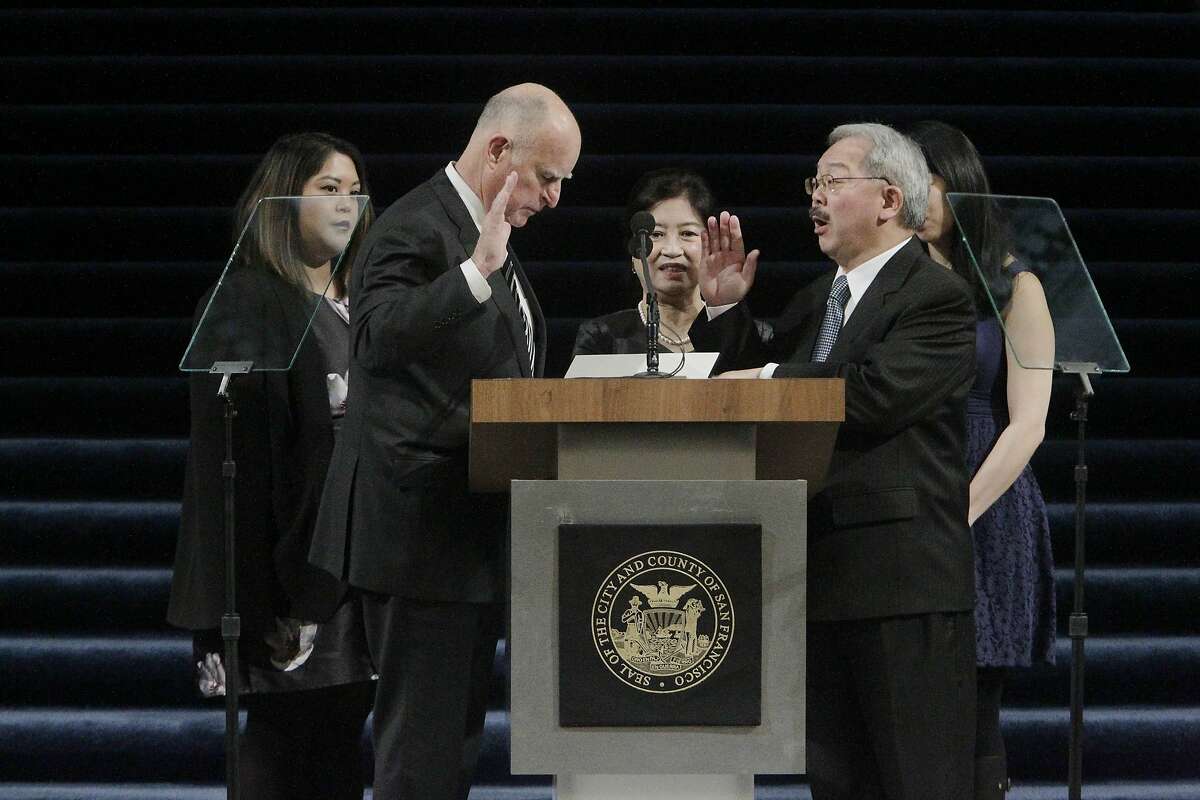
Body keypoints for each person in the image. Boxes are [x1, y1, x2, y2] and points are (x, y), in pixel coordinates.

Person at [308, 83, 581, 800]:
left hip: (465, 540)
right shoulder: (416, 227)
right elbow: (372, 337)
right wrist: (473, 273)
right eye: (547, 177)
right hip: (419, 541)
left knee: (446, 756)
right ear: (499, 152)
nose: (554, 198)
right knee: (419, 759)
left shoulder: (480, 232)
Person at [692, 122, 978, 800]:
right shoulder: (821, 299)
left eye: (832, 181)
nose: (815, 197)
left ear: (887, 198)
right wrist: (727, 308)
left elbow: (873, 395)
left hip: (903, 588)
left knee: (917, 783)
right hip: (818, 576)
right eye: (813, 184)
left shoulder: (935, 297)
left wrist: (766, 382)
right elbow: (755, 372)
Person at [168, 132, 377, 800]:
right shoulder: (250, 303)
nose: (347, 203)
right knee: (284, 735)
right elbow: (242, 466)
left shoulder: (365, 303)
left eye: (354, 190)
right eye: (327, 189)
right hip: (285, 576)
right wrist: (288, 591)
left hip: (357, 567)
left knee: (342, 732)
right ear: (282, 202)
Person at [908, 120, 1055, 800]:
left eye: (930, 183)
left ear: (959, 184)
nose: (919, 198)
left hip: (985, 501)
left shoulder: (1013, 286)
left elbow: (1027, 424)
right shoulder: (891, 283)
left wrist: (958, 511)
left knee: (974, 710)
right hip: (909, 487)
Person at [572, 168, 716, 356]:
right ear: (633, 252)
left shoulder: (741, 334)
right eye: (656, 234)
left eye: (687, 233)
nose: (672, 250)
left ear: (711, 244)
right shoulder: (602, 338)